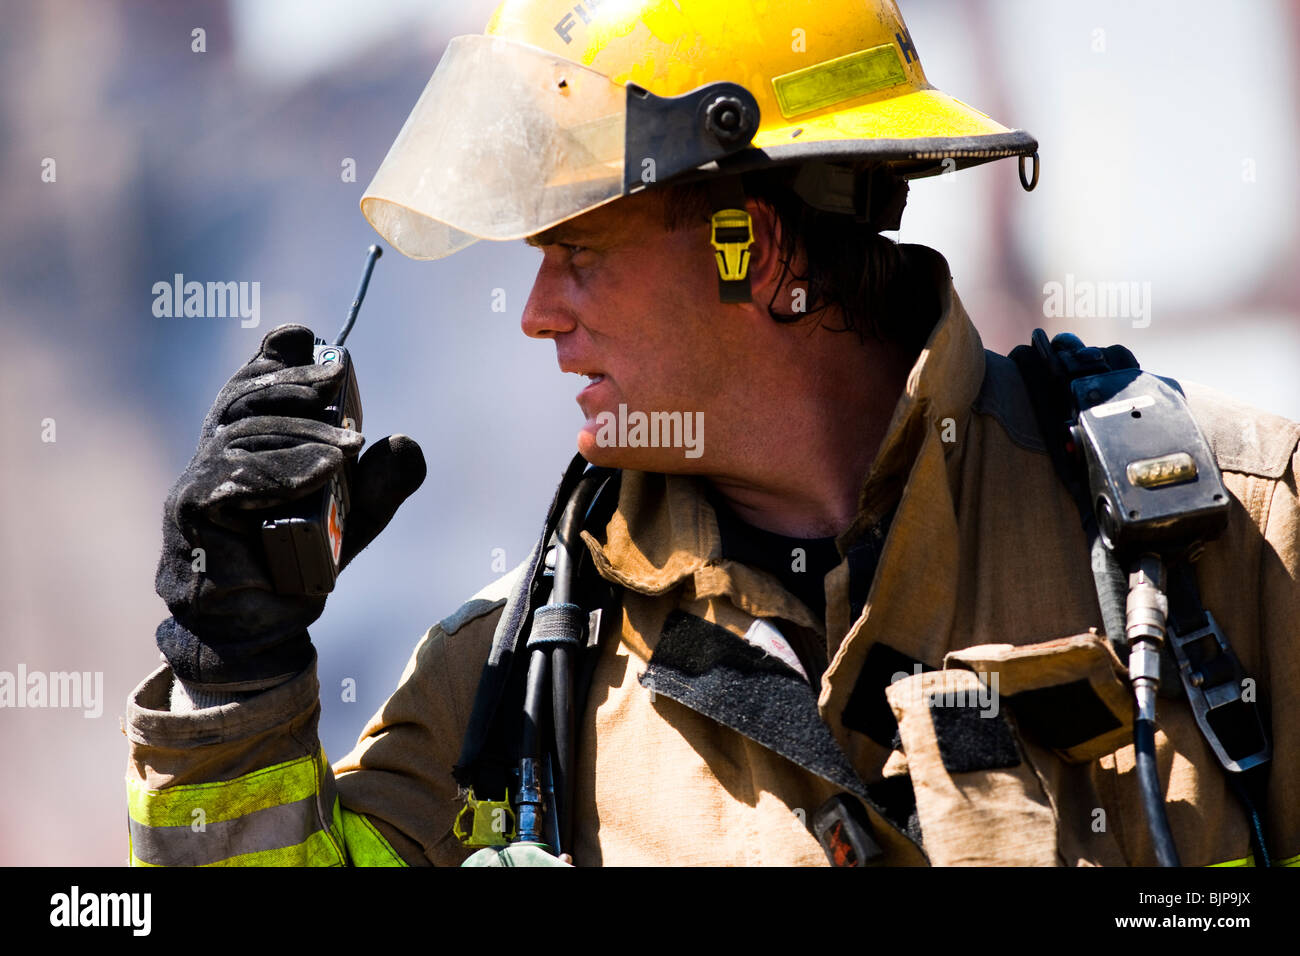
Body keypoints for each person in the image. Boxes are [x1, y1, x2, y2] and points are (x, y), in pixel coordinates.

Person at [126, 0, 1300, 867]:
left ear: (758, 250)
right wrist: (233, 676)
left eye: (579, 255)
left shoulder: (1233, 545)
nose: (536, 315)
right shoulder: (513, 677)